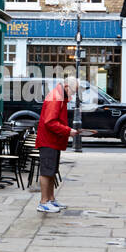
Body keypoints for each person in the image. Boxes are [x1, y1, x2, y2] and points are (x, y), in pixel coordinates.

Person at [35, 76, 79, 213]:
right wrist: (68, 131)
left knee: (52, 171)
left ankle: (51, 199)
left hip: (53, 141)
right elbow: (50, 122)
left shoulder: (59, 96)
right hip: (48, 141)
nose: (73, 94)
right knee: (47, 171)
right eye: (73, 91)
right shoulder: (56, 97)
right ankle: (43, 202)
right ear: (66, 87)